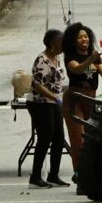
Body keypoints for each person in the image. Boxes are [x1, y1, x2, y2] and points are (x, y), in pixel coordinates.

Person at [61, 21, 102, 175]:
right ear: (73, 41)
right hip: (75, 100)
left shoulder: (94, 56)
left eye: (86, 37)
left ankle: (93, 172)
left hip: (91, 100)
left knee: (94, 140)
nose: (84, 40)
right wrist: (90, 60)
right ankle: (79, 175)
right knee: (78, 141)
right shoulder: (70, 57)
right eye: (80, 37)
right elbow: (77, 69)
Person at [27, 28, 67, 189]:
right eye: (60, 43)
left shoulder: (57, 58)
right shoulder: (42, 60)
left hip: (54, 102)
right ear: (52, 44)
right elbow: (38, 85)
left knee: (59, 138)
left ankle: (53, 175)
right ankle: (35, 177)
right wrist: (54, 97)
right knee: (44, 138)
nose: (62, 46)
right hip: (40, 103)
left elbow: (57, 82)